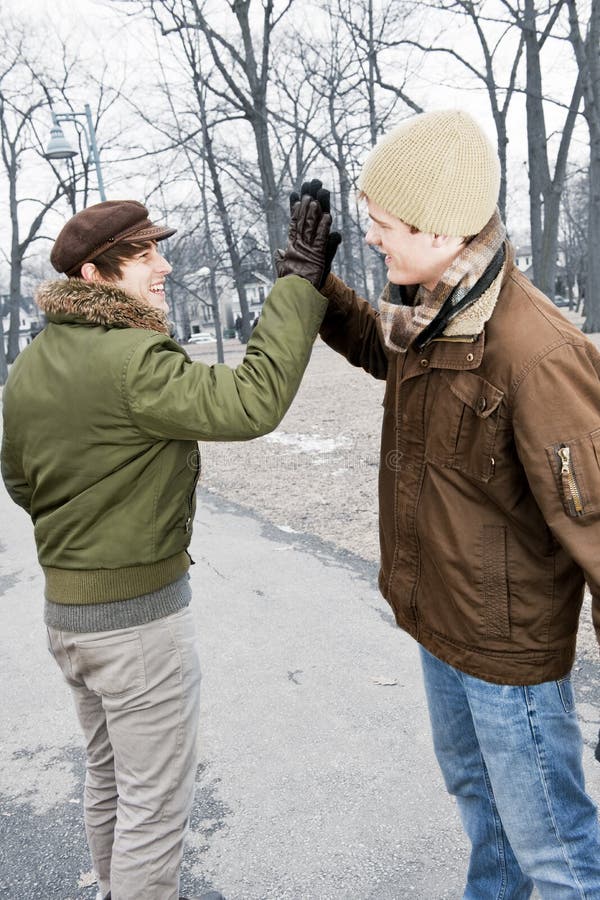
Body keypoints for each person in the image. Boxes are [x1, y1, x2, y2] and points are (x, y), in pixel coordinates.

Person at [276, 113, 600, 897]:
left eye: (384, 226)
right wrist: (318, 287)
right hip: (442, 623)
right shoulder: (435, 308)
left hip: (507, 656)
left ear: (440, 229)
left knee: (555, 852)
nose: (371, 237)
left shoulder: (538, 353)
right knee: (482, 809)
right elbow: (378, 347)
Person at [1, 196, 337, 900]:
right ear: (95, 274)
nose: (165, 265)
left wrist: (86, 528)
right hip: (136, 627)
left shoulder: (29, 366)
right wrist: (297, 286)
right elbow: (250, 402)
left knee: (110, 779)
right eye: (144, 254)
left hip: (68, 619)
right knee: (153, 808)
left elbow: (20, 481)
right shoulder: (133, 357)